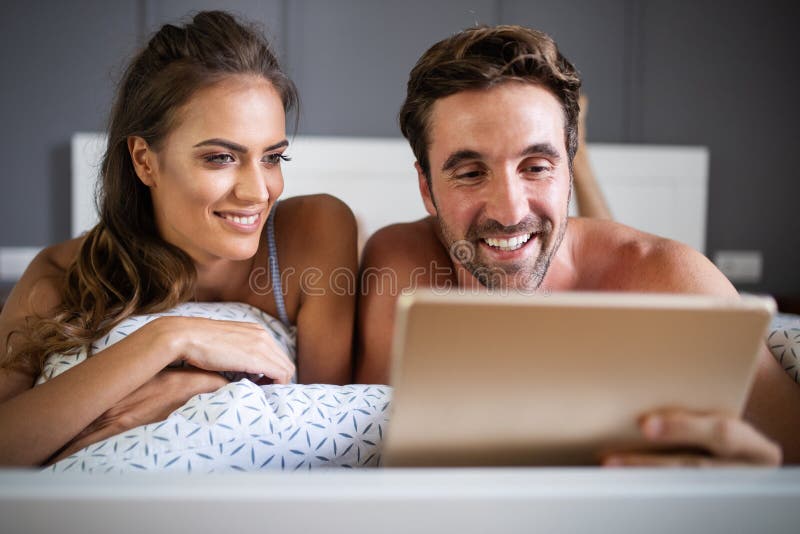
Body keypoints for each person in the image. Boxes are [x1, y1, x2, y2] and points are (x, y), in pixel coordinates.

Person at [356, 25, 799, 465]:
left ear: (569, 169)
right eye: (471, 173)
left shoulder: (670, 281)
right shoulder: (400, 266)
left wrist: (748, 488)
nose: (509, 212)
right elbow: (371, 465)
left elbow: (789, 454)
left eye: (536, 167)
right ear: (427, 189)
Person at [0, 11, 357, 466]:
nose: (257, 192)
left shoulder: (316, 233)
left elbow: (325, 430)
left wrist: (206, 386)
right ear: (145, 161)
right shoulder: (60, 274)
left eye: (272, 158)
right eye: (221, 157)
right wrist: (169, 338)